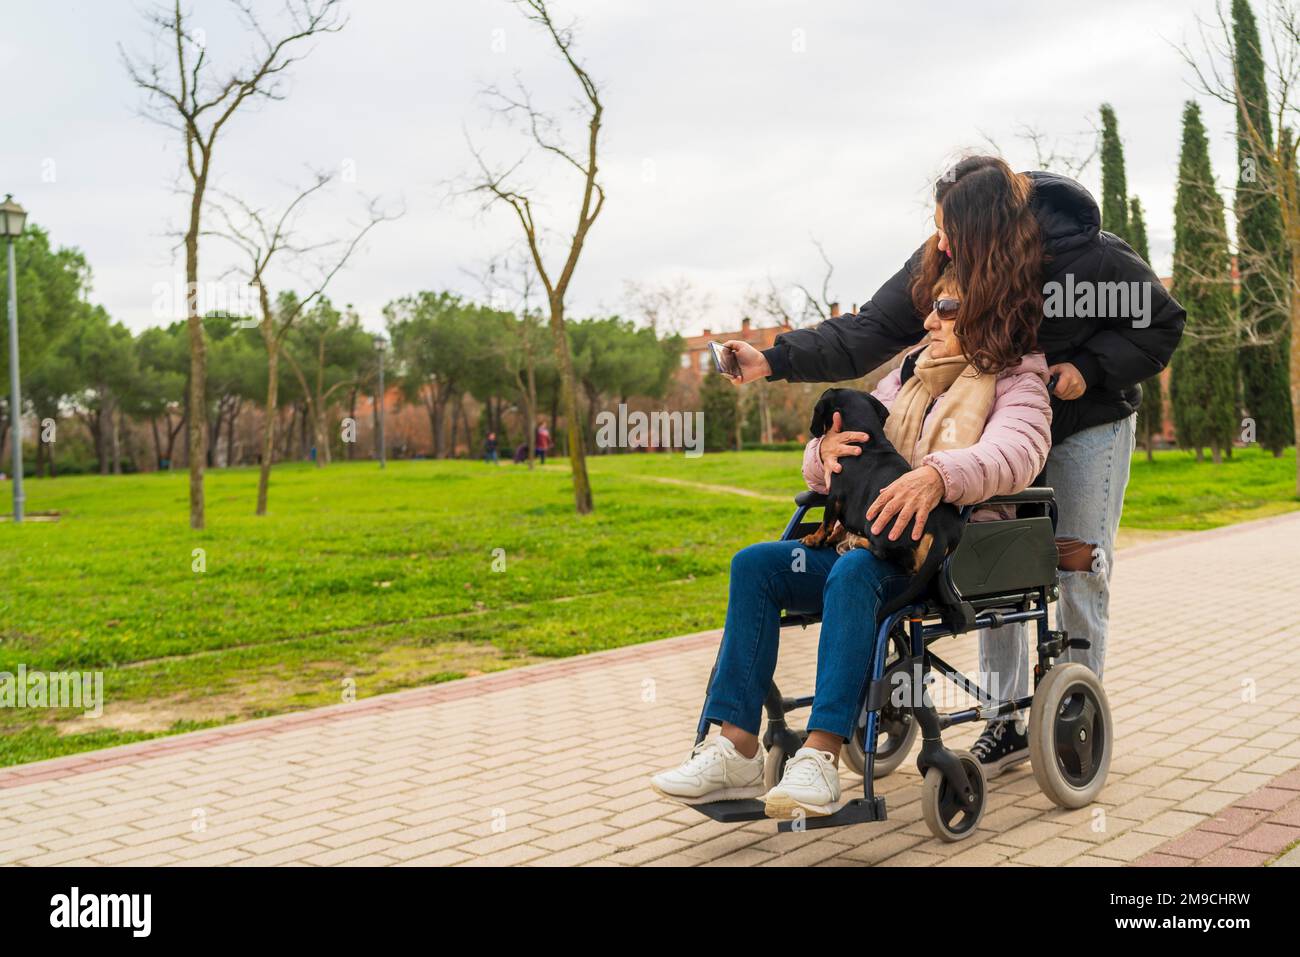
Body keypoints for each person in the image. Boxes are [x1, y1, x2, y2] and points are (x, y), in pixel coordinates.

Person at [719, 156, 1185, 777]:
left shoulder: (1088, 259)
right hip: (995, 415)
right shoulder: (945, 257)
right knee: (997, 555)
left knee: (1076, 564)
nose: (938, 242)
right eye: (936, 229)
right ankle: (1005, 720)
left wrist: (1090, 369)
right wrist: (772, 360)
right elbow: (871, 329)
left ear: (985, 228)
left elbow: (1161, 322)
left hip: (1085, 419)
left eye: (947, 229)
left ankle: (1077, 712)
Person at [653, 246, 1052, 818]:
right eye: (931, 308)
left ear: (988, 311)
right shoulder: (909, 375)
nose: (929, 321)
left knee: (853, 570)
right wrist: (825, 451)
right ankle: (735, 747)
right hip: (866, 542)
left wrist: (938, 477)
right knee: (757, 565)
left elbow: (1014, 454)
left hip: (935, 556)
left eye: (946, 308)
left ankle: (820, 755)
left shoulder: (1019, 382)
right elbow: (826, 460)